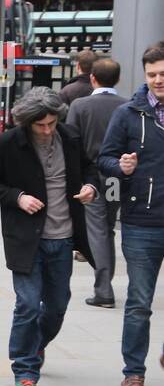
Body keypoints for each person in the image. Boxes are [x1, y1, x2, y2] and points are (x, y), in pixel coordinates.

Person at [0, 86, 97, 386]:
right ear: (27, 122)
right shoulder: (8, 143)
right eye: (39, 125)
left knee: (57, 307)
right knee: (28, 304)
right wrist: (17, 197)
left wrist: (89, 188)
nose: (46, 130)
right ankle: (25, 369)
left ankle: (34, 345)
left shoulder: (69, 137)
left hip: (65, 237)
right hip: (27, 239)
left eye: (51, 124)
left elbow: (90, 169)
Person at [97, 46, 164, 386]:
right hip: (142, 222)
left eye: (163, 73)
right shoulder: (127, 114)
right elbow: (104, 158)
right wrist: (119, 166)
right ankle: (134, 372)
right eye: (152, 73)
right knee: (139, 302)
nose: (158, 79)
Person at [68, 58, 124, 308]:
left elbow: (70, 142)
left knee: (98, 231)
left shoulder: (80, 106)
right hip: (116, 178)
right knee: (108, 228)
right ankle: (105, 285)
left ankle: (103, 290)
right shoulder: (127, 106)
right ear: (118, 79)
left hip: (91, 178)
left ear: (92, 78)